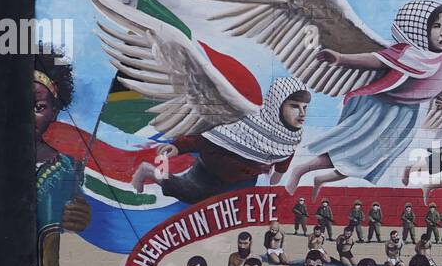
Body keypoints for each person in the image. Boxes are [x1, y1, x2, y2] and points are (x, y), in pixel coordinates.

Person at [283, 1, 442, 192]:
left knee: (365, 160)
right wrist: (341, 58)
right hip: (382, 112)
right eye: (436, 26)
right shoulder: (406, 54)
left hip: (406, 118)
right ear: (418, 29)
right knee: (351, 150)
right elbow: (373, 60)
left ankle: (316, 178)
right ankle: (301, 170)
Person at [132, 76, 310, 203]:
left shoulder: (289, 142)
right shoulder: (247, 122)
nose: (302, 113)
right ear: (277, 104)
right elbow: (209, 137)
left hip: (243, 181)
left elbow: (277, 175)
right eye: (294, 106)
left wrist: (270, 176)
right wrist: (179, 147)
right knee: (187, 193)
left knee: (233, 208)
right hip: (211, 171)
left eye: (305, 107)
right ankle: (148, 171)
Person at [33, 52, 92, 266]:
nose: (27, 116)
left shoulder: (66, 167)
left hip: (40, 257)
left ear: (54, 112)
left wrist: (79, 216)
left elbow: (75, 214)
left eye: (39, 107)